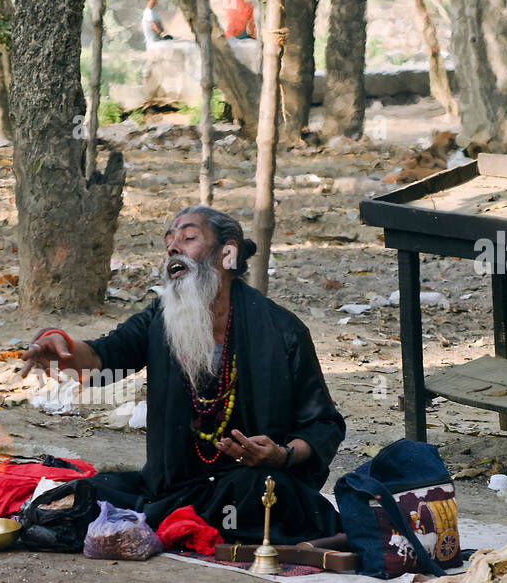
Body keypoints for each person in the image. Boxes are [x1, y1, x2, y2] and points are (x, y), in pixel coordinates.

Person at [21, 206, 345, 545]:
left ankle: (169, 523)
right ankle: (172, 521)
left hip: (249, 483)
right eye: (169, 243)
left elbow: (323, 424)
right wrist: (62, 346)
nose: (173, 248)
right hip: (170, 487)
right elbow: (104, 357)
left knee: (256, 493)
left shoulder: (283, 331)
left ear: (228, 253)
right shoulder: (159, 319)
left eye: (188, 238)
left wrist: (282, 454)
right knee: (82, 494)